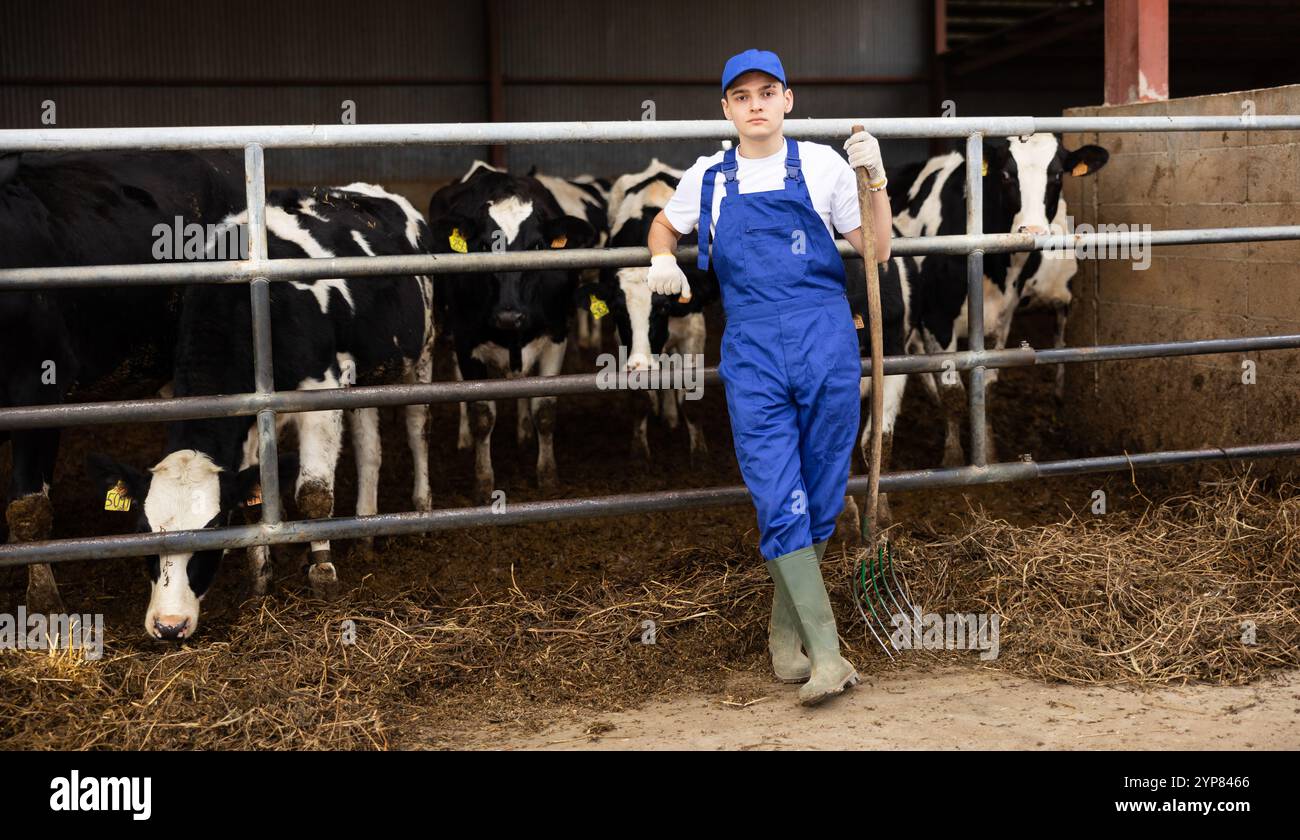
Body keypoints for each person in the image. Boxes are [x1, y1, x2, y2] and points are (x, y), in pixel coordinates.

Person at [647, 48, 891, 706]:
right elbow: (663, 224)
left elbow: (875, 250)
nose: (755, 104)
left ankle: (788, 642)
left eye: (767, 92)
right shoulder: (708, 176)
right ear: (726, 109)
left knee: (818, 489)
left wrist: (875, 183)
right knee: (774, 488)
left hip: (825, 339)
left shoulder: (822, 164)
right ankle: (830, 656)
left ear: (787, 100)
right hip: (751, 345)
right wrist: (662, 259)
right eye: (741, 96)